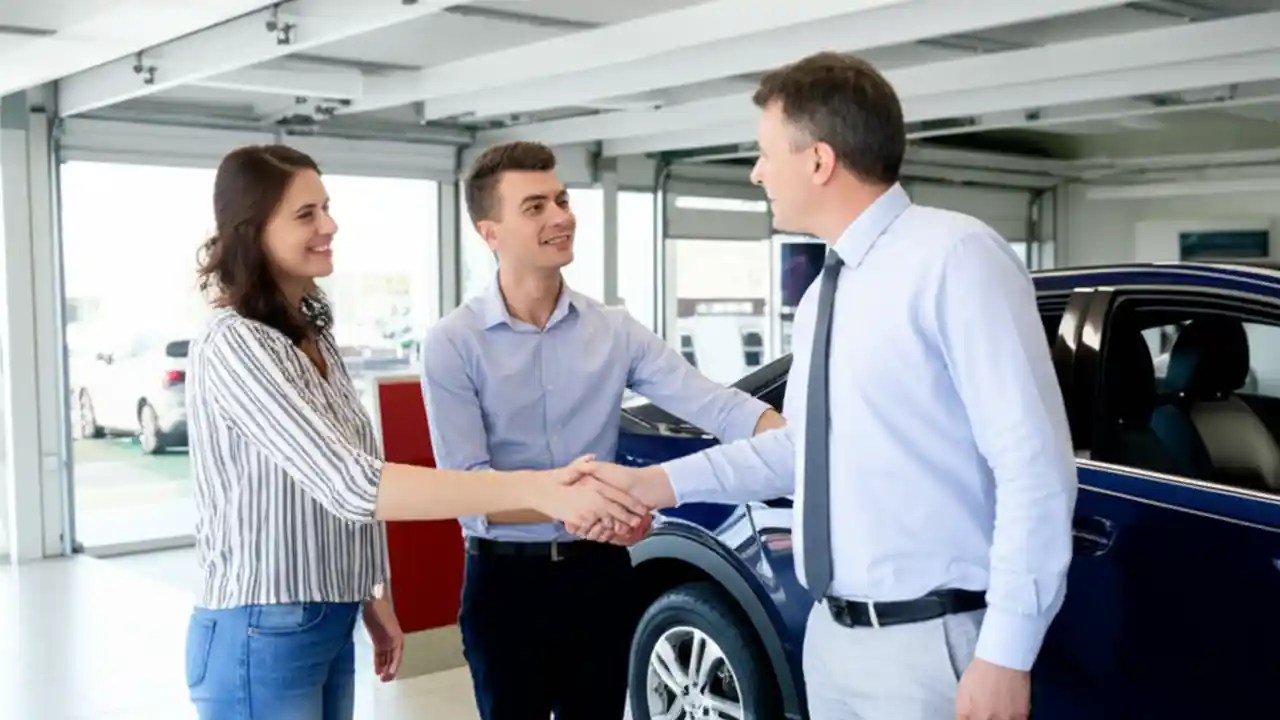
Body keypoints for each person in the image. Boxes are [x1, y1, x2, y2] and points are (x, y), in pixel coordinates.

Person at [583, 52, 1077, 720]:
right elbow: (797, 453)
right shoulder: (825, 293)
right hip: (830, 636)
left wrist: (1007, 653)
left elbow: (1034, 468)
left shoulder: (955, 258)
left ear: (818, 161)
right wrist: (652, 486)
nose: (757, 172)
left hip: (930, 644)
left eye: (764, 153)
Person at [183, 144, 647, 720]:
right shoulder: (234, 343)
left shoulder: (310, 334)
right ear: (251, 231)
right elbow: (353, 483)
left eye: (325, 207)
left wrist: (373, 593)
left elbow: (348, 469)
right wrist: (538, 489)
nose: (330, 225)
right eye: (306, 215)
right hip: (259, 626)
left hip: (326, 614)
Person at [420, 140, 784, 720]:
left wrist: (793, 438)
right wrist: (579, 505)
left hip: (602, 575)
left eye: (562, 200)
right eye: (535, 207)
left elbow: (714, 404)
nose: (561, 216)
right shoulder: (452, 343)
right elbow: (469, 487)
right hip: (505, 584)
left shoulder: (614, 329)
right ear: (491, 233)